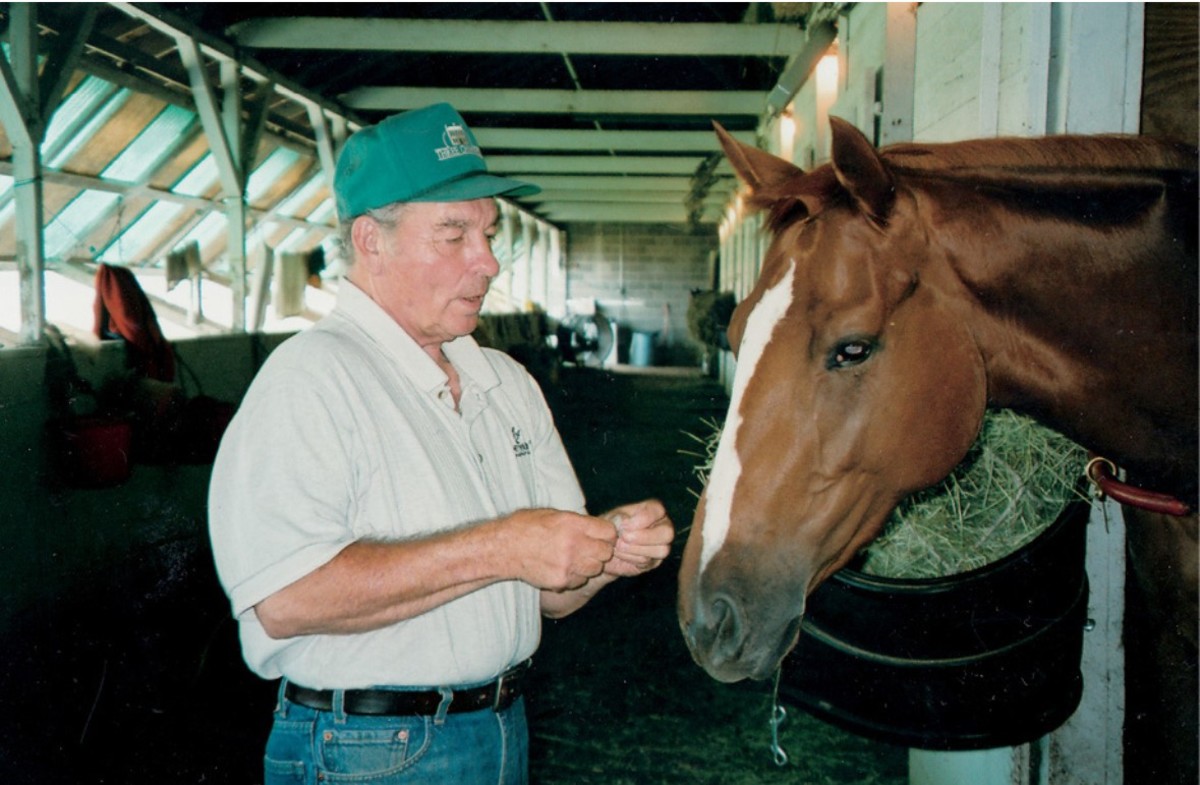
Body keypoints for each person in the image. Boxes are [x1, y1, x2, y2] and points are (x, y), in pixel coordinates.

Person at [207, 102, 674, 785]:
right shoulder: (312, 379)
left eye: (489, 232)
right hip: (366, 748)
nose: (486, 262)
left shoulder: (505, 382)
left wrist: (604, 552)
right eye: (453, 234)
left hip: (498, 726)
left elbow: (549, 595)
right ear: (372, 241)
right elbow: (286, 598)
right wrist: (505, 542)